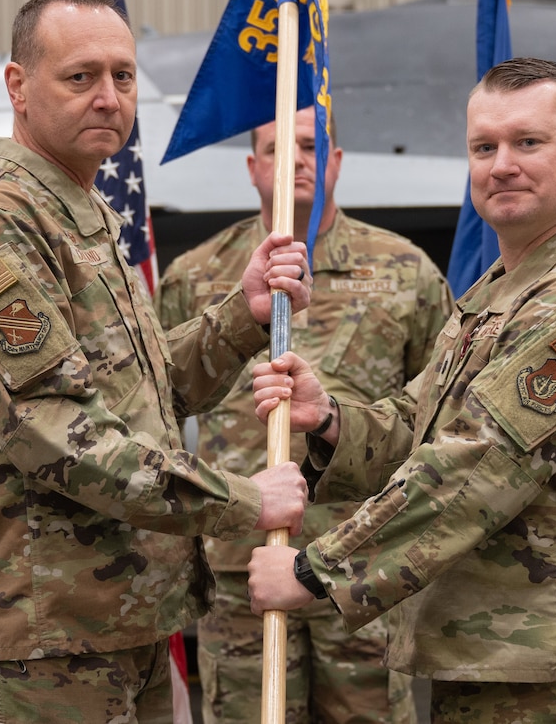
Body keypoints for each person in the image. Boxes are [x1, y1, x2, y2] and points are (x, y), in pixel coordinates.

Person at [0, 0, 312, 724]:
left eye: (122, 76)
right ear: (19, 87)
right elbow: (57, 434)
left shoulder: (79, 215)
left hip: (119, 626)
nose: (108, 97)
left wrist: (241, 319)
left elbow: (143, 397)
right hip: (32, 649)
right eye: (80, 76)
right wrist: (241, 500)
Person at [247, 57, 556, 723]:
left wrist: (316, 573)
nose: (501, 164)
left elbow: (472, 469)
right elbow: (424, 424)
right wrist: (330, 419)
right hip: (506, 662)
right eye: (484, 147)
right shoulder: (500, 295)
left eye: (528, 142)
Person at [158, 107, 452, 723]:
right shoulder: (197, 275)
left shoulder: (406, 271)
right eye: (273, 149)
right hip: (243, 568)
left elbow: (440, 418)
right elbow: (157, 409)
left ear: (337, 162)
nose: (293, 160)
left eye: (311, 146)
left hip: (360, 566)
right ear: (251, 167)